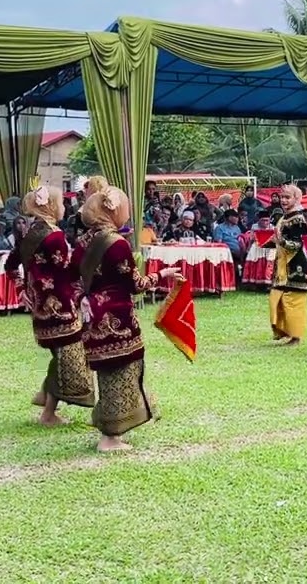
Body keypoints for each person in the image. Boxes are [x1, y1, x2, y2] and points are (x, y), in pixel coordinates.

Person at [72, 186, 181, 451]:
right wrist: (162, 275)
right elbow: (135, 284)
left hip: (92, 315)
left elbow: (75, 277)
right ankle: (110, 437)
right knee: (121, 370)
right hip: (116, 317)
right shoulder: (116, 243)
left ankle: (108, 425)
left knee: (106, 371)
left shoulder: (83, 241)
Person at [9, 185, 96, 426]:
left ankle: (45, 397)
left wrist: (20, 288)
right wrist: (82, 249)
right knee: (69, 358)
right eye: (59, 203)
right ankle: (48, 412)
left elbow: (10, 263)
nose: (62, 207)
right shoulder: (55, 236)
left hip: (41, 308)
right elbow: (66, 272)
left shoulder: (31, 232)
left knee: (59, 355)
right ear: (49, 206)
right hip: (61, 306)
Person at [265, 184, 307, 346]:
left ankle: (296, 336)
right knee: (276, 298)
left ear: (296, 199)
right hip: (282, 264)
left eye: (287, 197)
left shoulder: (298, 219)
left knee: (293, 301)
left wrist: (281, 241)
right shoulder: (284, 217)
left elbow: (298, 244)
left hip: (296, 265)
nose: (283, 200)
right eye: (282, 197)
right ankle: (284, 331)